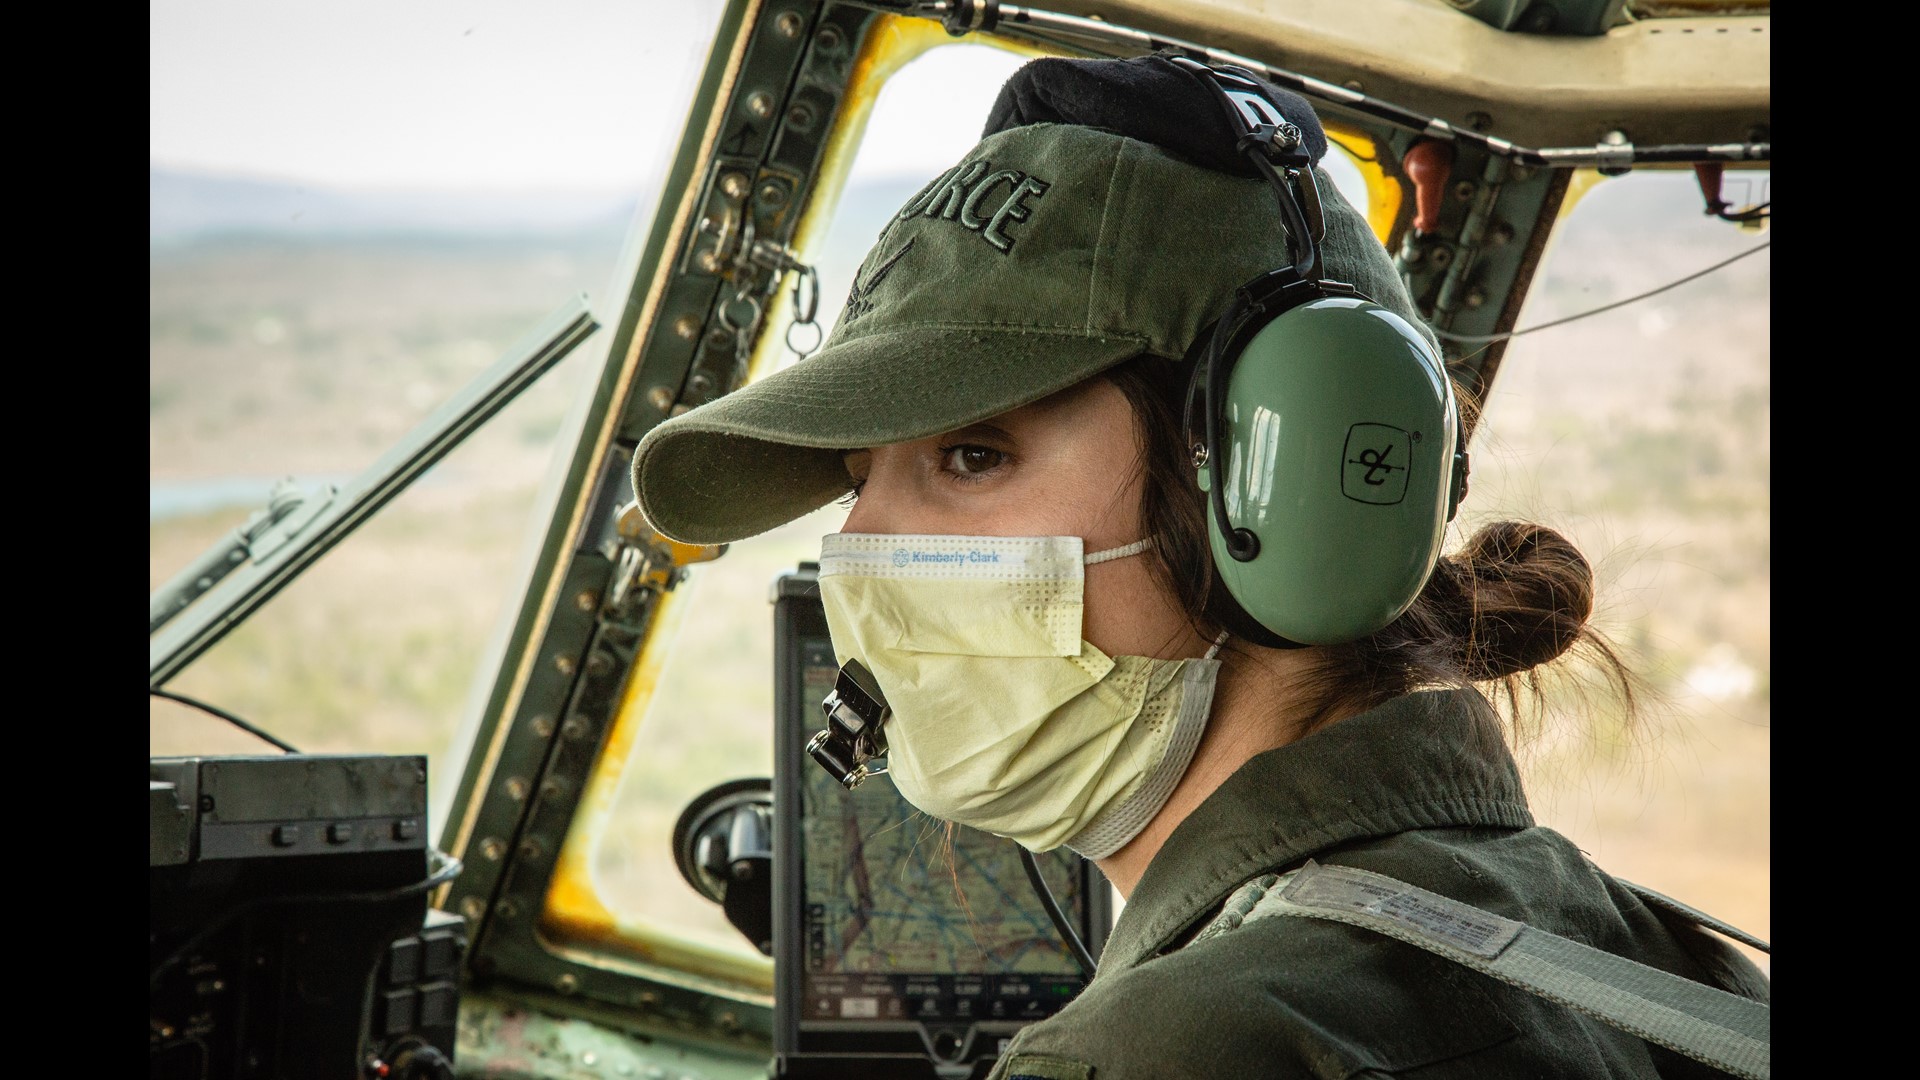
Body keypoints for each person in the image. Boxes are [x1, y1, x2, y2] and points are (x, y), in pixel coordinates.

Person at [632, 54, 1768, 1080]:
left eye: (973, 454)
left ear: (1285, 476)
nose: (864, 549)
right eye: (855, 477)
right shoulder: (1659, 969)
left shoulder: (1165, 1052)